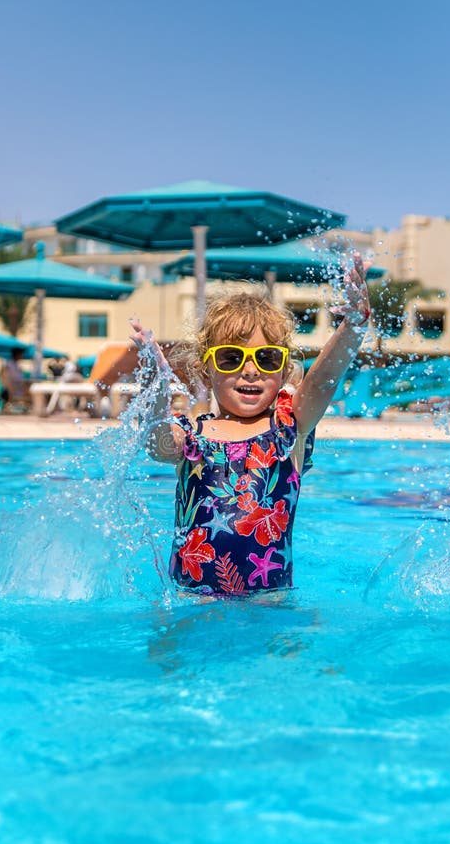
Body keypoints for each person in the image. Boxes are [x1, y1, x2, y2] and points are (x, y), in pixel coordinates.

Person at [129, 254, 371, 597]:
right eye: (231, 357)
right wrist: (153, 386)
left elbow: (323, 381)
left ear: (284, 368)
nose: (250, 370)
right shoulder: (193, 437)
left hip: (269, 606)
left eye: (267, 357)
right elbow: (156, 444)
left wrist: (352, 327)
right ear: (204, 368)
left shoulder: (291, 430)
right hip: (192, 605)